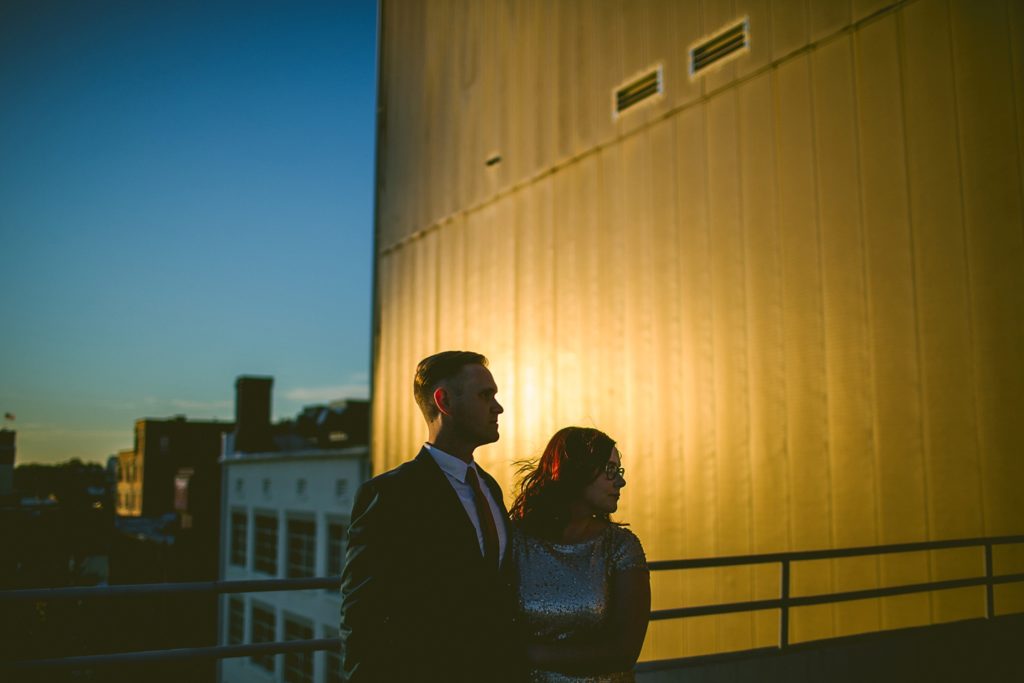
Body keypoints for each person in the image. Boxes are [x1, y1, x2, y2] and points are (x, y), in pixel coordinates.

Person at [339, 350, 524, 682]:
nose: (498, 407)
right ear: (444, 401)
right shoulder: (390, 495)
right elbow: (362, 615)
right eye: (485, 395)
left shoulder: (490, 488)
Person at [510, 427, 650, 682]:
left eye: (618, 471)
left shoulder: (620, 547)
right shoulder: (517, 542)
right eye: (609, 470)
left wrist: (528, 654)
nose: (620, 482)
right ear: (578, 470)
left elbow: (624, 651)